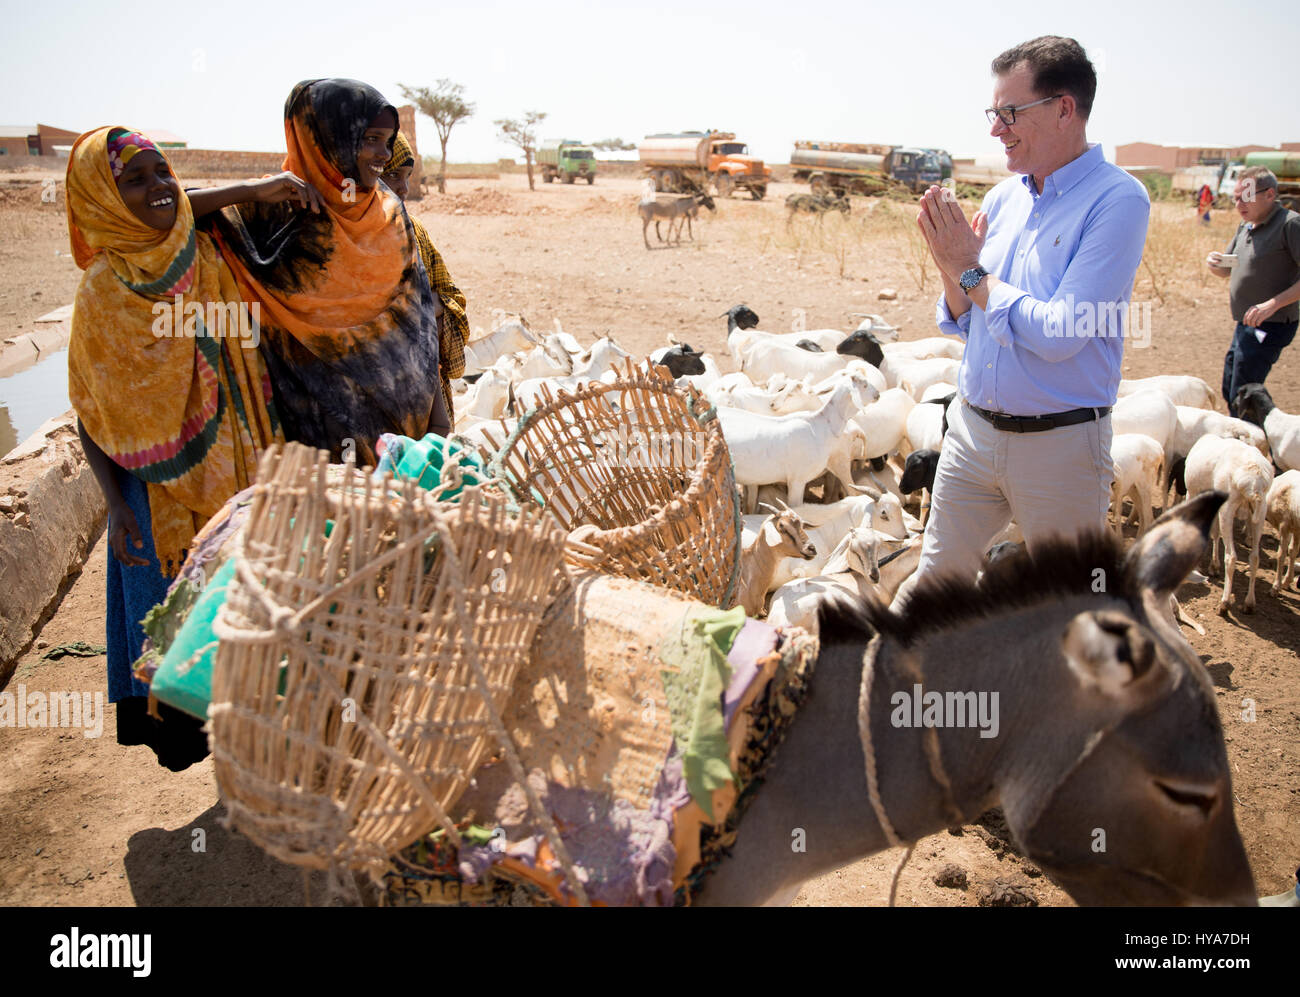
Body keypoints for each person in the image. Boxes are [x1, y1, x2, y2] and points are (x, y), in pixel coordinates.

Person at [65, 127, 289, 767]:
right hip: (156, 486)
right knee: (181, 614)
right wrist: (114, 503)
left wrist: (252, 188)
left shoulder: (203, 250)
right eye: (132, 180)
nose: (157, 187)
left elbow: (197, 203)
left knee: (251, 599)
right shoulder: (104, 291)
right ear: (102, 199)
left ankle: (259, 742)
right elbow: (94, 408)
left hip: (240, 464)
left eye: (161, 171)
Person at [904, 35, 1150, 590]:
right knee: (934, 588)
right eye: (994, 112)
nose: (996, 128)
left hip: (1058, 452)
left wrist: (971, 270)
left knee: (1070, 610)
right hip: (971, 436)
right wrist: (950, 264)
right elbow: (970, 319)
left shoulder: (1118, 201)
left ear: (1064, 108)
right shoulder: (1002, 198)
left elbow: (1062, 332)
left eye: (1010, 112)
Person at [208, 79, 450, 465]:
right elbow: (166, 218)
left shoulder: (387, 216)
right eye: (370, 138)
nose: (382, 154)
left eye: (387, 141)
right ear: (323, 138)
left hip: (404, 449)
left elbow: (415, 317)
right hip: (311, 452)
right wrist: (251, 191)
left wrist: (438, 426)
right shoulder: (271, 212)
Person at [379, 132, 469, 425]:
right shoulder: (349, 239)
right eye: (392, 175)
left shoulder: (414, 230)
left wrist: (419, 311)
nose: (403, 188)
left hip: (427, 387)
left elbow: (451, 297)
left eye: (407, 176)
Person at [1206, 166, 1300, 416]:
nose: (1239, 204)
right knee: (1230, 385)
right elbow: (1230, 266)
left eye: (1245, 197)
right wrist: (1217, 263)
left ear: (1270, 194)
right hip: (1245, 322)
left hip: (1271, 323)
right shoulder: (1245, 225)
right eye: (1235, 198)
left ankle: (1255, 445)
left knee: (1244, 390)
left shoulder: (1290, 225)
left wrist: (1272, 304)